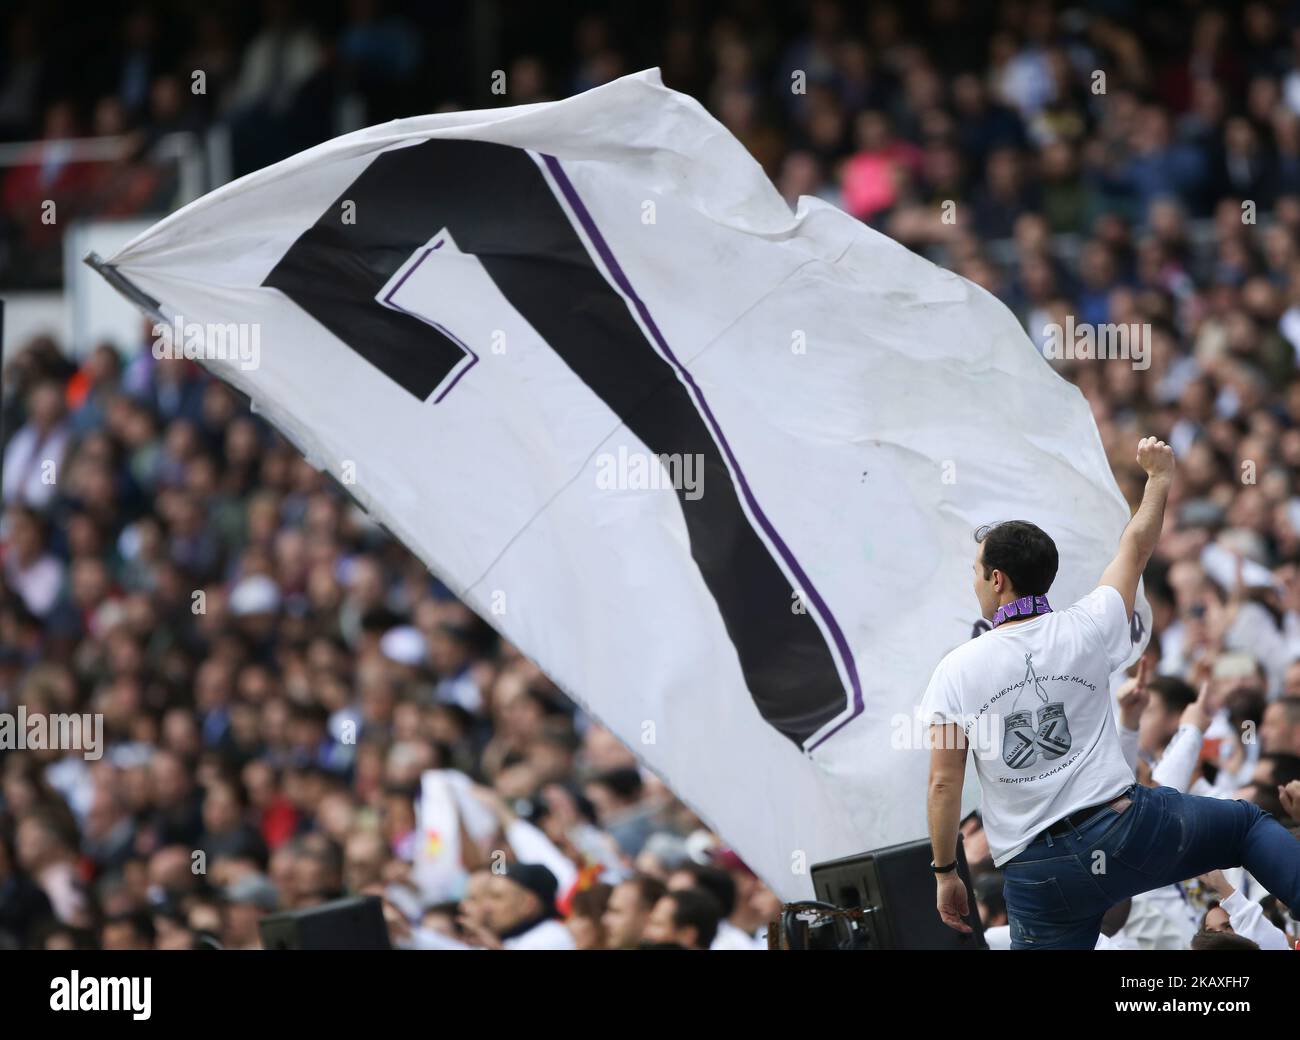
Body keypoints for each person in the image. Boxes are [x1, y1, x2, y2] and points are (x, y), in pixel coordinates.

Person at [923, 437, 1300, 949]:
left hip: (1039, 877)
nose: (974, 584)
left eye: (975, 574)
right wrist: (1159, 479)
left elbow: (944, 785)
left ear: (996, 579)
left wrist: (946, 872)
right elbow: (1136, 545)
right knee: (1245, 828)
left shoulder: (954, 669)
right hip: (1127, 833)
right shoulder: (1089, 624)